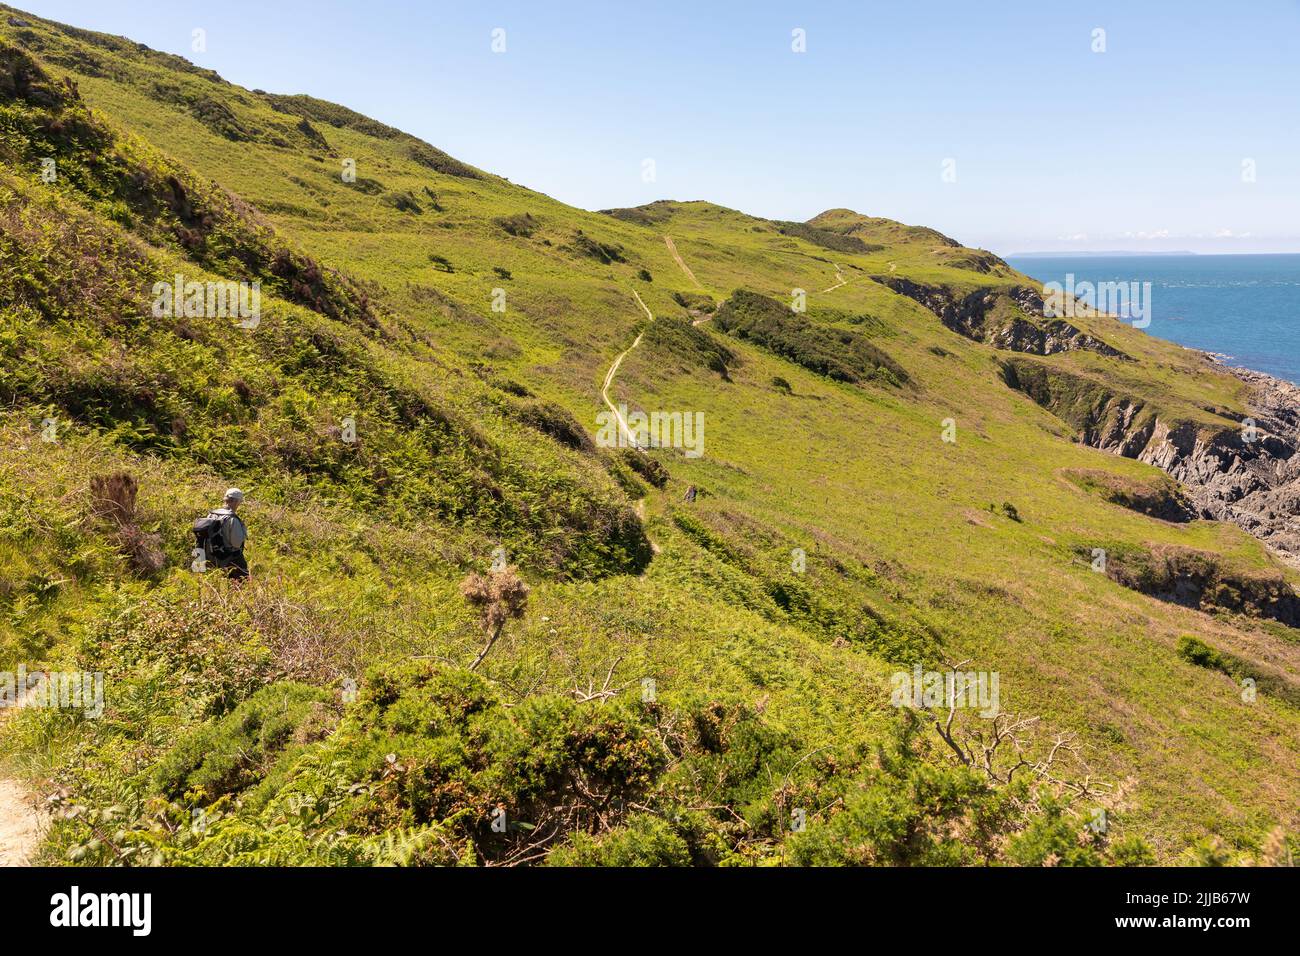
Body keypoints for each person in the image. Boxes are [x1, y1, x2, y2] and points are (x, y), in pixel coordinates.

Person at [194, 488, 249, 580]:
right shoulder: (232, 519)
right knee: (242, 583)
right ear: (237, 502)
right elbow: (236, 543)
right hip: (229, 558)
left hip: (212, 556)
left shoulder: (211, 514)